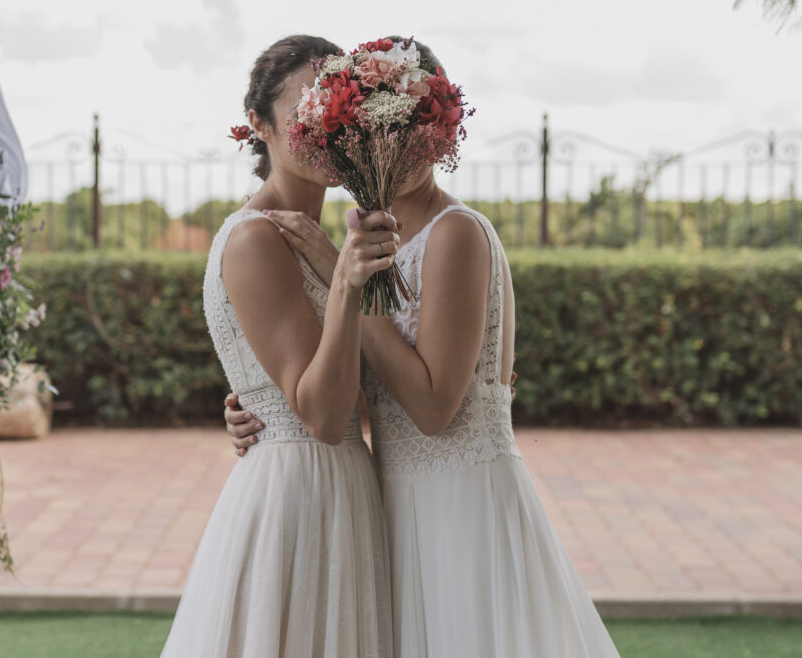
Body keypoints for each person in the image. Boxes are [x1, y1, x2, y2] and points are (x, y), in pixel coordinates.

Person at [225, 38, 621, 658]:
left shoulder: (455, 231)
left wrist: (338, 275)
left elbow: (435, 409)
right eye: (378, 127)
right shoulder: (373, 239)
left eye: (414, 127)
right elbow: (335, 378)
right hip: (390, 503)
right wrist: (258, 404)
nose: (396, 145)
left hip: (459, 505)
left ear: (440, 134)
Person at [160, 35, 396, 657]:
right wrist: (344, 281)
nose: (324, 129)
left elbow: (359, 394)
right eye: (303, 115)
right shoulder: (254, 240)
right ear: (260, 126)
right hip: (300, 496)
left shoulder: (322, 237)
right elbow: (320, 416)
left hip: (348, 487)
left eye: (336, 113)